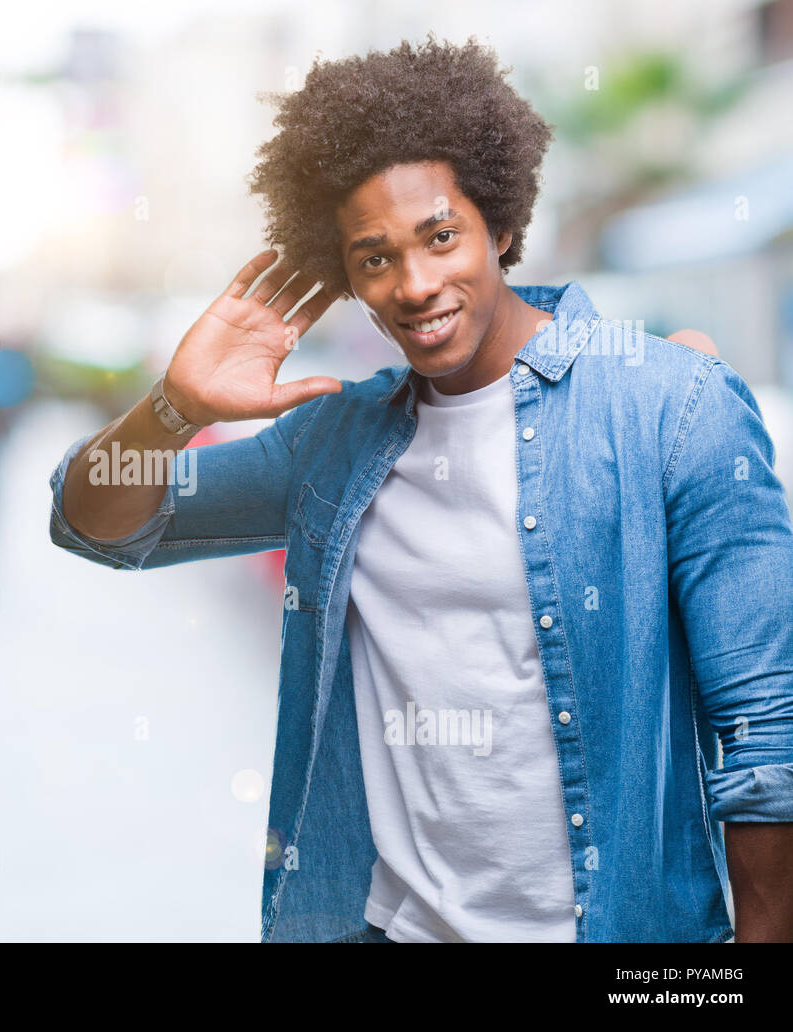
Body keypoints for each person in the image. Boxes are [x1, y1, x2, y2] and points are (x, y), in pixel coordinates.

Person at [46, 34, 793, 943]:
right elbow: (94, 522)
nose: (416, 283)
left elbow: (769, 727)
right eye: (375, 258)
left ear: (502, 224)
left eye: (441, 236)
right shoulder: (329, 446)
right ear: (349, 280)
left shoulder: (669, 408)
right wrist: (172, 406)